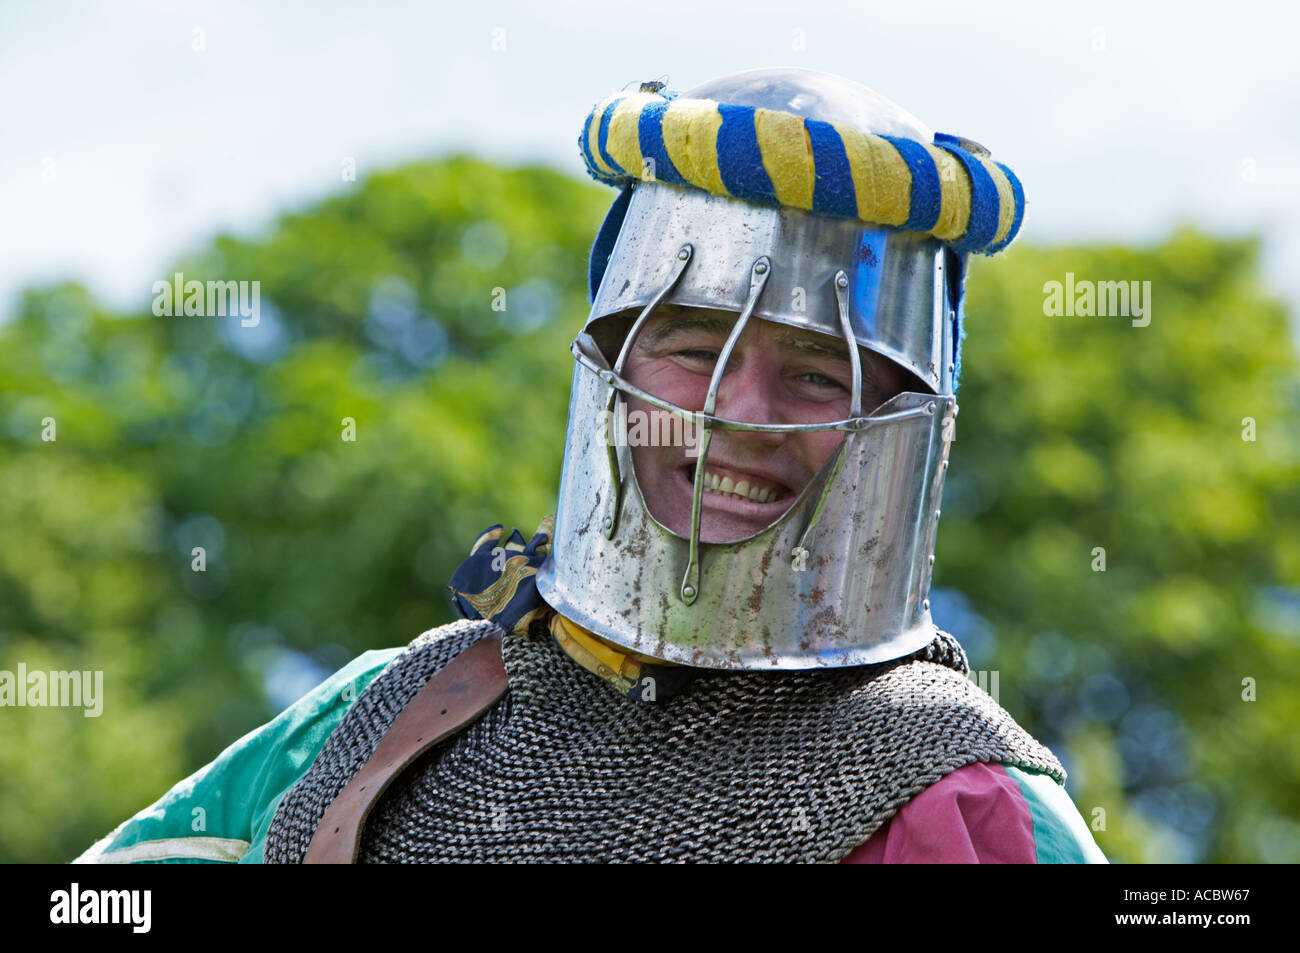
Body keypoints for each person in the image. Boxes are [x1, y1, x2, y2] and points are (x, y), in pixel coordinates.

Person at [75, 67, 1107, 864]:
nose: (730, 416)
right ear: (606, 364)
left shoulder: (967, 806)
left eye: (815, 372)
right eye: (695, 349)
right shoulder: (386, 711)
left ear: (906, 421)